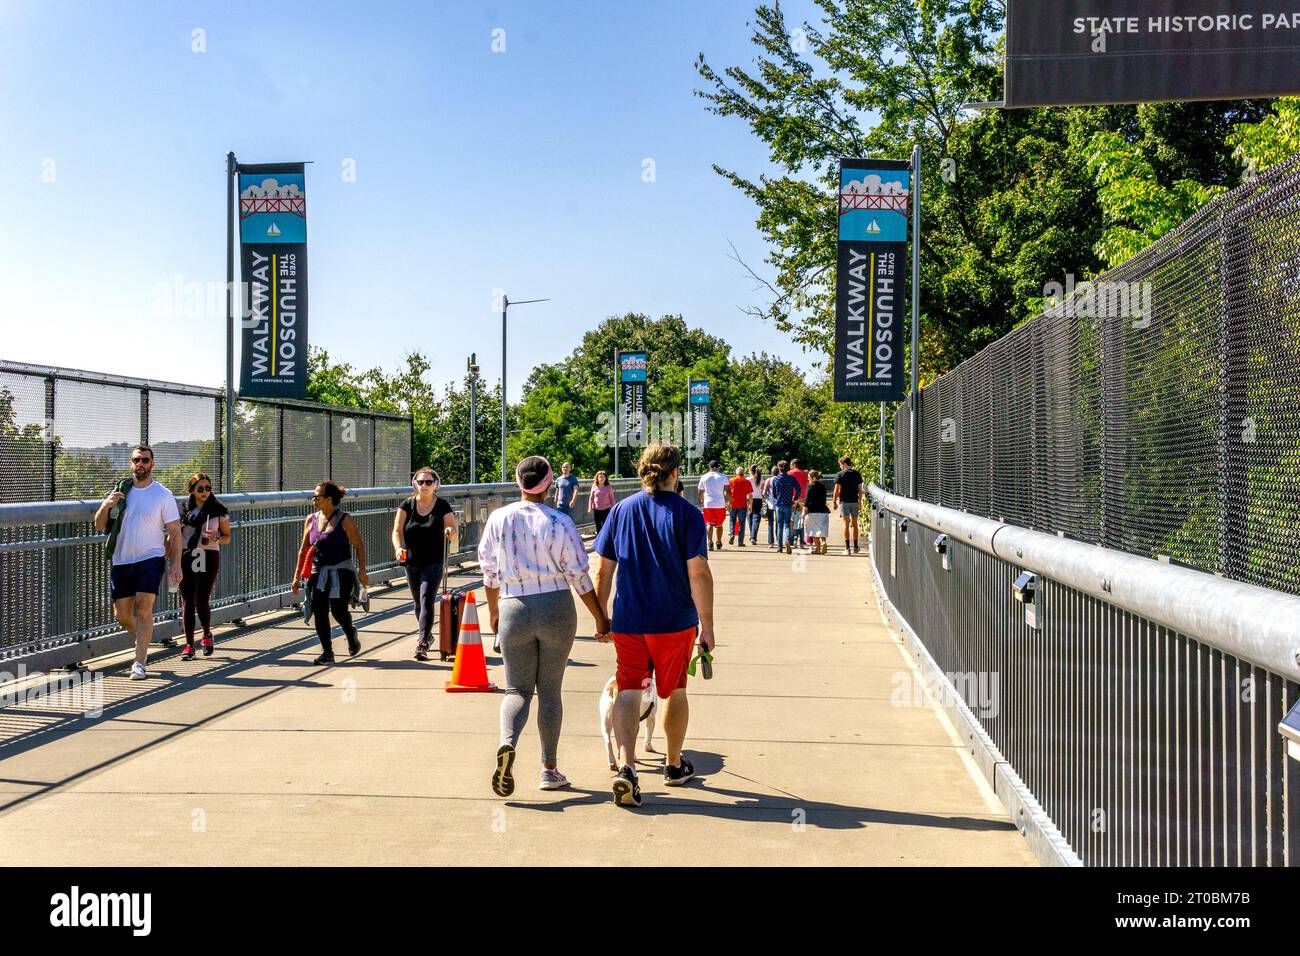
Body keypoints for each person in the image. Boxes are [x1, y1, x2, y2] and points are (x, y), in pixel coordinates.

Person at [480, 456, 610, 795]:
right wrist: (600, 617)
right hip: (555, 604)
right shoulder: (560, 522)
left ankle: (507, 743)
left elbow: (489, 573)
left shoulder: (498, 518)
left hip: (512, 605)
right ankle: (549, 769)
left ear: (518, 482)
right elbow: (578, 576)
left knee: (516, 690)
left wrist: (495, 612)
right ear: (550, 485)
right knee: (549, 691)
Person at [594, 443, 714, 807]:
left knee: (629, 690)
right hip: (674, 622)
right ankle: (674, 766)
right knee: (673, 691)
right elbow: (699, 573)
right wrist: (706, 626)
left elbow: (603, 569)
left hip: (629, 620)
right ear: (676, 473)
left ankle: (627, 768)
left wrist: (602, 618)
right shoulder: (689, 515)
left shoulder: (620, 511)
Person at [93, 444, 183, 680]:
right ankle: (144, 639)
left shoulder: (163, 494)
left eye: (145, 460)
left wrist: (176, 563)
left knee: (144, 606)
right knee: (122, 615)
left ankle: (139, 663)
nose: (140, 464)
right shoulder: (121, 491)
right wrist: (106, 505)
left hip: (151, 558)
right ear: (130, 463)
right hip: (122, 559)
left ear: (152, 464)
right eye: (136, 460)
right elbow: (99, 525)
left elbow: (174, 532)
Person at [292, 481, 369, 665]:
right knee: (319, 611)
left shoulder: (345, 520)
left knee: (338, 610)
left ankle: (350, 632)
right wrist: (296, 577)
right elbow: (303, 550)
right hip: (318, 572)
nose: (314, 499)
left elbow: (358, 546)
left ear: (329, 499)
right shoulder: (311, 520)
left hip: (342, 571)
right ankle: (327, 652)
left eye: (317, 496)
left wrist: (362, 571)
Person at [392, 467, 458, 661]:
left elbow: (453, 530)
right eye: (421, 482)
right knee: (418, 603)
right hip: (412, 561)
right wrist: (398, 548)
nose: (424, 486)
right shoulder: (407, 505)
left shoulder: (443, 506)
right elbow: (397, 530)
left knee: (427, 598)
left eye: (429, 482)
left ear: (436, 485)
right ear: (415, 484)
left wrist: (449, 532)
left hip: (434, 560)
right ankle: (428, 635)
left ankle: (421, 643)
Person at [178, 473, 231, 661]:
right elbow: (174, 535)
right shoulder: (183, 510)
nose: (204, 492)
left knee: (201, 598)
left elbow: (227, 537)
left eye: (208, 488)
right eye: (200, 488)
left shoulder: (217, 510)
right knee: (187, 600)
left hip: (208, 554)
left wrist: (216, 537)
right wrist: (169, 559)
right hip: (187, 554)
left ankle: (207, 635)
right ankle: (189, 645)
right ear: (191, 490)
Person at [832, 455, 865, 555]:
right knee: (855, 524)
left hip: (844, 502)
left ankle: (847, 549)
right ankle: (855, 547)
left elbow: (836, 490)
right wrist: (860, 502)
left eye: (840, 465)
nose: (840, 467)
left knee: (846, 525)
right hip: (854, 502)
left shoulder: (840, 474)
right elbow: (860, 490)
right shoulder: (857, 474)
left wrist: (834, 502)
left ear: (844, 464)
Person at [696, 459, 729, 551]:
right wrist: (729, 502)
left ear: (709, 467)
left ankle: (710, 541)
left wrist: (703, 500)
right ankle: (718, 541)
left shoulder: (704, 477)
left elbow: (699, 491)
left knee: (709, 523)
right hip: (720, 503)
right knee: (719, 524)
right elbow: (728, 490)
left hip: (708, 503)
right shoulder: (723, 477)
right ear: (718, 467)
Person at [768, 460, 799, 554]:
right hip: (788, 503)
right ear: (788, 468)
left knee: (779, 525)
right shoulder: (791, 478)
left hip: (778, 504)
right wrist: (795, 497)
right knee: (787, 524)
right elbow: (798, 488)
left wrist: (778, 498)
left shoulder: (775, 479)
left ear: (778, 468)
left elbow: (773, 493)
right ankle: (787, 540)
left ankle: (780, 547)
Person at [802, 469, 831, 555]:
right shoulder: (823, 486)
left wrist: (804, 512)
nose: (808, 479)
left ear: (813, 477)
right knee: (821, 530)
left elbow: (807, 500)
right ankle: (823, 542)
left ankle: (818, 549)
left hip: (813, 511)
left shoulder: (810, 486)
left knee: (814, 531)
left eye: (809, 477)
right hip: (823, 511)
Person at [727, 467, 753, 548]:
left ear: (736, 473)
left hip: (733, 504)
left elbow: (727, 493)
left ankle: (732, 534)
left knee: (732, 520)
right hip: (742, 505)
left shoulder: (731, 481)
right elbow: (750, 495)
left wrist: (728, 502)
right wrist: (750, 505)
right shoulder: (747, 481)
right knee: (742, 523)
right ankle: (740, 541)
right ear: (743, 473)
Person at [788, 458, 810, 549]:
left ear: (793, 465)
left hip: (792, 498)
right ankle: (802, 539)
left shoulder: (789, 473)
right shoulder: (805, 473)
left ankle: (791, 538)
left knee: (792, 519)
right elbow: (808, 484)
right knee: (802, 519)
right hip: (803, 499)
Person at [588, 470, 615, 534]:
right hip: (596, 509)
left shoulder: (608, 487)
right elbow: (591, 497)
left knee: (605, 525)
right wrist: (590, 508)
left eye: (603, 477)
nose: (601, 478)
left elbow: (612, 498)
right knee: (598, 525)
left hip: (606, 509)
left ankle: (605, 539)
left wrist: (614, 508)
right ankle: (599, 539)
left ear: (605, 478)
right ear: (597, 478)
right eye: (600, 477)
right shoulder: (594, 486)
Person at [763, 464, 779, 548]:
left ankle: (771, 542)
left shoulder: (768, 480)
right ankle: (779, 540)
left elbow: (764, 493)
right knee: (778, 523)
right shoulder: (780, 479)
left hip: (770, 504)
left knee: (770, 523)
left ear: (771, 472)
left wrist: (767, 497)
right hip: (779, 504)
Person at [748, 465, 765, 545]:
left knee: (750, 518)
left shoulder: (748, 479)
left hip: (749, 499)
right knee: (756, 518)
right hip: (758, 499)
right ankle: (753, 536)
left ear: (751, 470)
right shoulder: (761, 479)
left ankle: (752, 536)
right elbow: (762, 491)